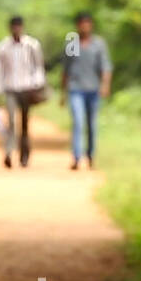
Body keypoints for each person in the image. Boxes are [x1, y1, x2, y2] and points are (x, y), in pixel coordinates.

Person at [0, 16, 46, 168]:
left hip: (27, 89)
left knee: (24, 123)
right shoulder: (3, 47)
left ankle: (24, 153)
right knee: (10, 121)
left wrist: (37, 85)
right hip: (10, 89)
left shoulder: (31, 45)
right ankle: (9, 152)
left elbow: (38, 67)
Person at [60, 12, 112, 170]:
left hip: (93, 89)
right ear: (77, 25)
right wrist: (63, 92)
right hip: (75, 89)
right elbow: (66, 70)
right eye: (81, 23)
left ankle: (90, 155)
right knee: (78, 122)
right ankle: (76, 157)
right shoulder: (72, 42)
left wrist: (105, 85)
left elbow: (106, 67)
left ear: (91, 25)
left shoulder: (98, 44)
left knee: (91, 124)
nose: (84, 26)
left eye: (87, 23)